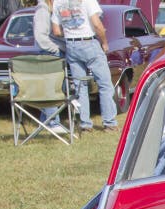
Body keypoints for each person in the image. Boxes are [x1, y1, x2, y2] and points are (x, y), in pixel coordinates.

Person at [51, 0, 117, 132]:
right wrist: (104, 42)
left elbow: (56, 31)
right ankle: (109, 122)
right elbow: (97, 24)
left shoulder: (57, 2)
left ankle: (85, 124)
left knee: (80, 86)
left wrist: (70, 33)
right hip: (88, 42)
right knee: (104, 84)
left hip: (71, 45)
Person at [34, 0, 67, 134]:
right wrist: (55, 49)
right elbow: (40, 37)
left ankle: (45, 121)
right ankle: (53, 122)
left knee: (56, 88)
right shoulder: (42, 10)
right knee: (52, 88)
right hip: (49, 54)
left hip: (54, 52)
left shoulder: (50, 10)